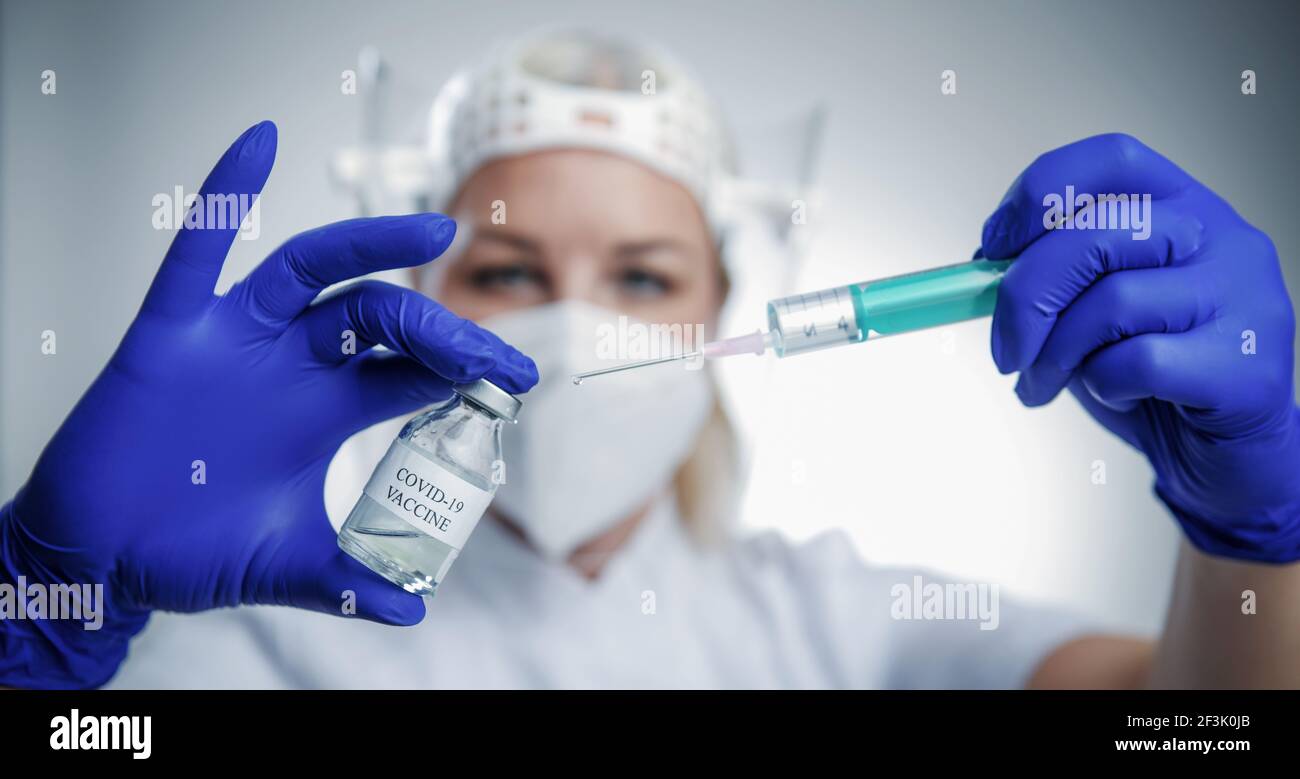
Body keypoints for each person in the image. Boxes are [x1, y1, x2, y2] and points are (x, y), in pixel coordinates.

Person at [3, 29, 1299, 690]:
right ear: (421, 299)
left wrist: (1251, 543)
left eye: (643, 279)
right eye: (510, 274)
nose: (577, 329)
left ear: (728, 304)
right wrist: (41, 615)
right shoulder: (267, 639)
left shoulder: (837, 623)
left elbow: (1193, 726)